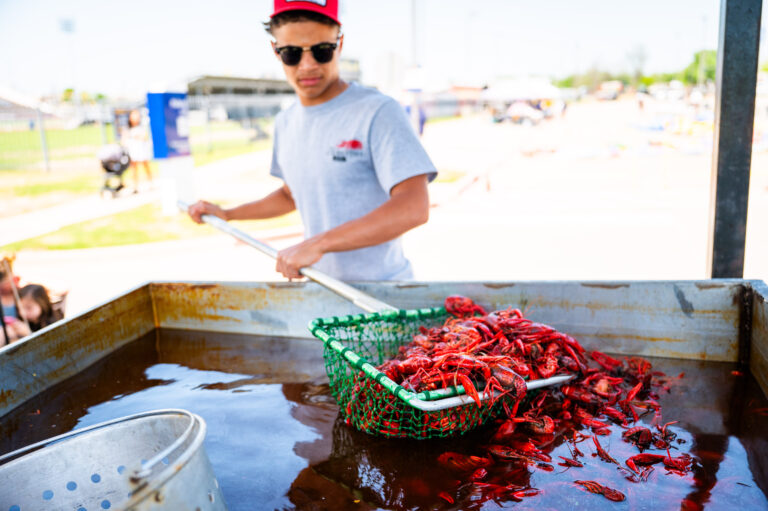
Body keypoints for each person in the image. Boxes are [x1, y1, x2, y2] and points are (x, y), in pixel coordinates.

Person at [188, 0, 436, 281]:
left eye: (321, 51)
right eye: (291, 53)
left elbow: (413, 206)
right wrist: (228, 213)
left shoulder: (378, 111)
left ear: (339, 45)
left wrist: (318, 243)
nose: (307, 65)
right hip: (321, 287)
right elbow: (290, 195)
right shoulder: (286, 122)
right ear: (276, 51)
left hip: (384, 293)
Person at [123, 109, 153, 193]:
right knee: (134, 169)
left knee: (146, 166)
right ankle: (135, 186)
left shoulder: (142, 127)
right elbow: (124, 140)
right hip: (133, 151)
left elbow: (145, 137)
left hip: (142, 150)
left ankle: (150, 183)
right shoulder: (127, 129)